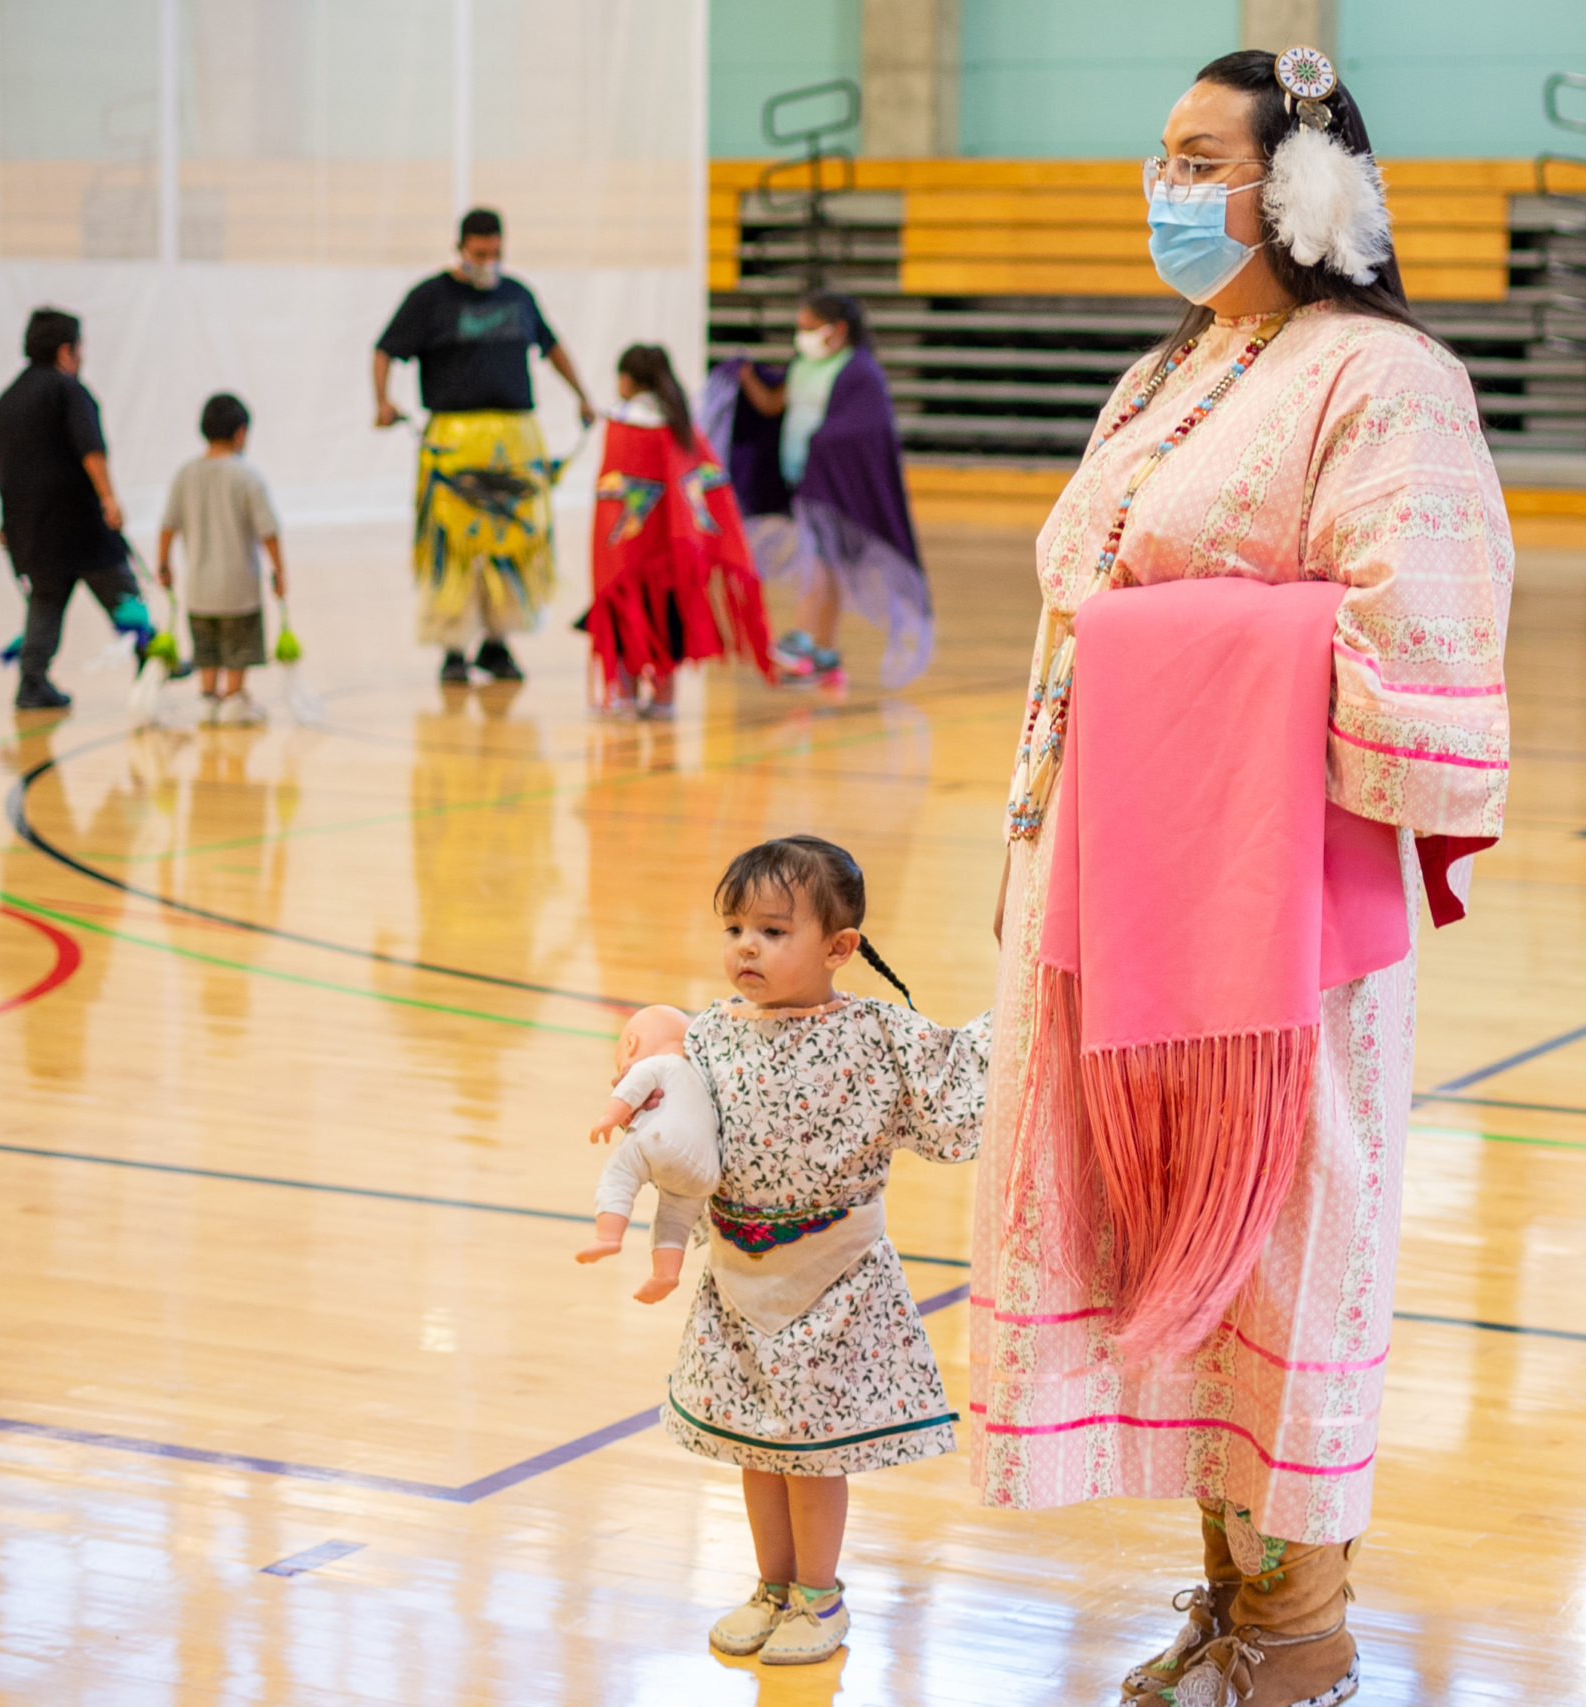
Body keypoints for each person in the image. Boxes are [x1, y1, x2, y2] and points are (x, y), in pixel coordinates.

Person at [970, 48, 1510, 1707]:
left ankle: (1302, 1637)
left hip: (1270, 904)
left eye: (1201, 156)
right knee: (1162, 1235)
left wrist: (1159, 641)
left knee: (1276, 1221)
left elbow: (1415, 619)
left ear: (1301, 187)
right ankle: (1228, 1597)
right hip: (1116, 871)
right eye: (1160, 152)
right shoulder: (1170, 370)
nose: (1166, 185)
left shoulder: (1380, 378)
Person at [663, 836, 989, 1667]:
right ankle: (771, 1585)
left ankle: (819, 1592)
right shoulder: (709, 1035)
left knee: (809, 1448)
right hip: (739, 1277)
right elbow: (683, 1143)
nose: (746, 946)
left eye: (773, 931)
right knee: (753, 1442)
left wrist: (1027, 1001)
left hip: (835, 1280)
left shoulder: (878, 1033)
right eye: (735, 927)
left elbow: (957, 1100)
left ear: (840, 948)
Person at [372, 207, 596, 686]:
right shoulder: (430, 298)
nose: (488, 262)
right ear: (460, 248)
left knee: (512, 543)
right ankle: (453, 646)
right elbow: (385, 349)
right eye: (479, 254)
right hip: (454, 441)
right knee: (455, 545)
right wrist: (382, 401)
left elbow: (551, 345)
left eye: (495, 253)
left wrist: (582, 395)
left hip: (514, 438)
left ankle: (498, 643)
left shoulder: (518, 295)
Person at [705, 293, 928, 690]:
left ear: (838, 330)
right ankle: (822, 651)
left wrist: (824, 452)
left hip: (831, 484)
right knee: (825, 561)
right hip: (803, 481)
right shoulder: (803, 365)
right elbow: (774, 404)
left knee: (819, 561)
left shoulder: (860, 372)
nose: (801, 336)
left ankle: (807, 640)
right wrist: (748, 379)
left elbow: (864, 430)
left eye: (809, 328)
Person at [585, 344, 773, 718]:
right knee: (667, 618)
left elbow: (613, 491)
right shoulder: (682, 426)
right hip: (672, 551)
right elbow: (707, 485)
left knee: (627, 612)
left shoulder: (623, 425)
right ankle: (663, 698)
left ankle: (622, 693)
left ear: (627, 379)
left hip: (629, 549)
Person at [0, 307, 153, 712]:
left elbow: (0, 471)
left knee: (45, 602)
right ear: (66, 351)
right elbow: (91, 450)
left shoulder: (7, 400)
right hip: (78, 527)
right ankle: (155, 661)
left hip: (31, 532)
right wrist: (109, 499)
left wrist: (6, 522)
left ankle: (32, 682)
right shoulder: (69, 391)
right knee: (121, 593)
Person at [156, 392, 286, 727]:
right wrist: (279, 570)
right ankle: (234, 698)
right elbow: (267, 531)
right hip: (238, 588)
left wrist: (164, 565)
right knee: (238, 647)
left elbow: (168, 525)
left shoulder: (186, 474)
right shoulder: (247, 477)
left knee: (207, 647)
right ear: (241, 432)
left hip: (198, 589)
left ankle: (207, 697)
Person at [577, 1004, 718, 1302]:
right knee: (675, 1218)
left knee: (619, 1174)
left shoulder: (662, 1063)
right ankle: (665, 1274)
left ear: (631, 1044)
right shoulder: (701, 1081)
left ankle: (608, 1237)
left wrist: (610, 1118)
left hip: (662, 1137)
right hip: (708, 1172)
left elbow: (632, 1088)